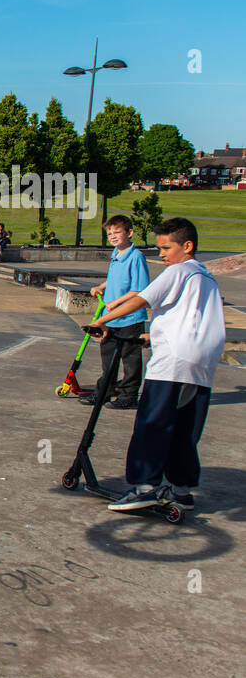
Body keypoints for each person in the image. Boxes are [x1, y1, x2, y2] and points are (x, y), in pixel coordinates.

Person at [88, 218, 226, 511]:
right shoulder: (205, 275)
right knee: (184, 428)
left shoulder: (179, 270)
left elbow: (141, 299)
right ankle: (180, 489)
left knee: (152, 424)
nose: (161, 254)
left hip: (173, 363)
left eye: (166, 247)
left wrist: (101, 320)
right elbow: (191, 315)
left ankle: (145, 487)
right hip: (202, 364)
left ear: (187, 247)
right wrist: (154, 335)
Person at [80, 215, 150, 410]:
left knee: (130, 359)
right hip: (112, 319)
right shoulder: (115, 254)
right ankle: (105, 391)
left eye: (117, 232)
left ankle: (129, 395)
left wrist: (116, 303)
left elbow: (140, 290)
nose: (113, 236)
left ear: (129, 233)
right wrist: (101, 286)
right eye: (109, 233)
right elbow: (115, 279)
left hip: (130, 318)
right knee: (108, 357)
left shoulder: (136, 257)